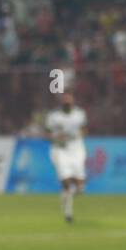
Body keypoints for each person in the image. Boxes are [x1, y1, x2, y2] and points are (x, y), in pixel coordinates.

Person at [45, 92, 88, 222]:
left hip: (76, 148)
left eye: (69, 100)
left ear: (73, 101)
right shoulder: (54, 116)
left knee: (80, 187)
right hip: (60, 149)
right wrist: (56, 137)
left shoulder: (79, 114)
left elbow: (85, 129)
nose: (67, 102)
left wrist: (78, 134)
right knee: (66, 182)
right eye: (65, 100)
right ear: (62, 102)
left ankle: (66, 195)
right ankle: (68, 213)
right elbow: (47, 133)